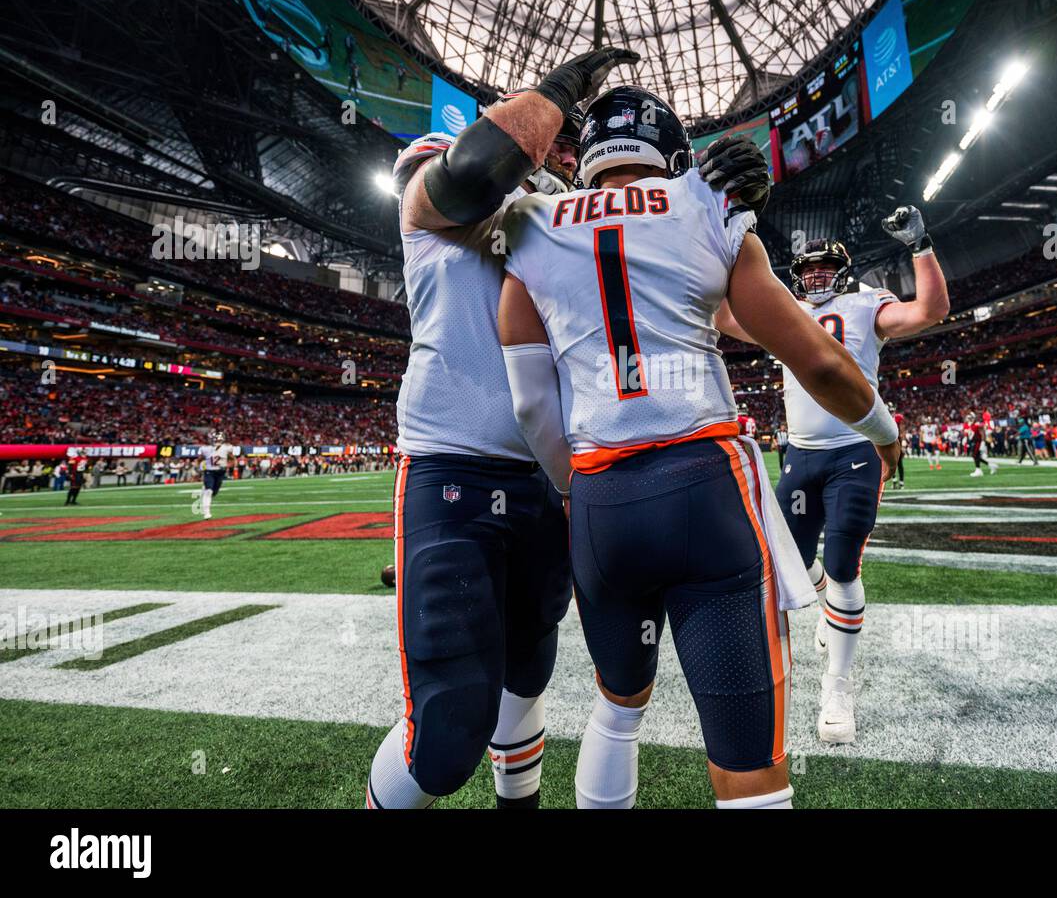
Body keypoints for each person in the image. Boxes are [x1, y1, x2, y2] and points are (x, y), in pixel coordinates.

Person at [366, 50, 771, 811]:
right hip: (454, 475)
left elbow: (709, 308)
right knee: (449, 732)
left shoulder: (556, 227)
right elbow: (470, 175)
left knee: (528, 675)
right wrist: (557, 94)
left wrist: (729, 221)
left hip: (554, 482)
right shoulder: (440, 202)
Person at [498, 84, 899, 808]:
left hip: (599, 500)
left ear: (586, 156)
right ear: (675, 153)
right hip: (703, 488)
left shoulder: (533, 221)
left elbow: (530, 400)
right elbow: (818, 362)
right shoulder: (701, 202)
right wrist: (885, 432)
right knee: (748, 755)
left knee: (617, 708)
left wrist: (575, 484)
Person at [720, 224, 946, 744]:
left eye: (824, 266)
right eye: (806, 269)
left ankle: (838, 686)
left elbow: (929, 310)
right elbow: (723, 316)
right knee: (791, 564)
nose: (815, 275)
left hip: (855, 455)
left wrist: (921, 245)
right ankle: (828, 606)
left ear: (843, 269)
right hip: (801, 456)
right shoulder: (786, 310)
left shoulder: (867, 305)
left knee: (843, 564)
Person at [198, 431, 234, 519]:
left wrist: (229, 465)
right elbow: (199, 459)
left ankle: (206, 491)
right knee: (209, 492)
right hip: (209, 472)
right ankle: (206, 513)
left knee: (214, 492)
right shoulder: (205, 449)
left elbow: (232, 458)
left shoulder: (227, 448)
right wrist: (200, 467)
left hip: (220, 473)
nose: (217, 441)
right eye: (215, 439)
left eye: (218, 439)